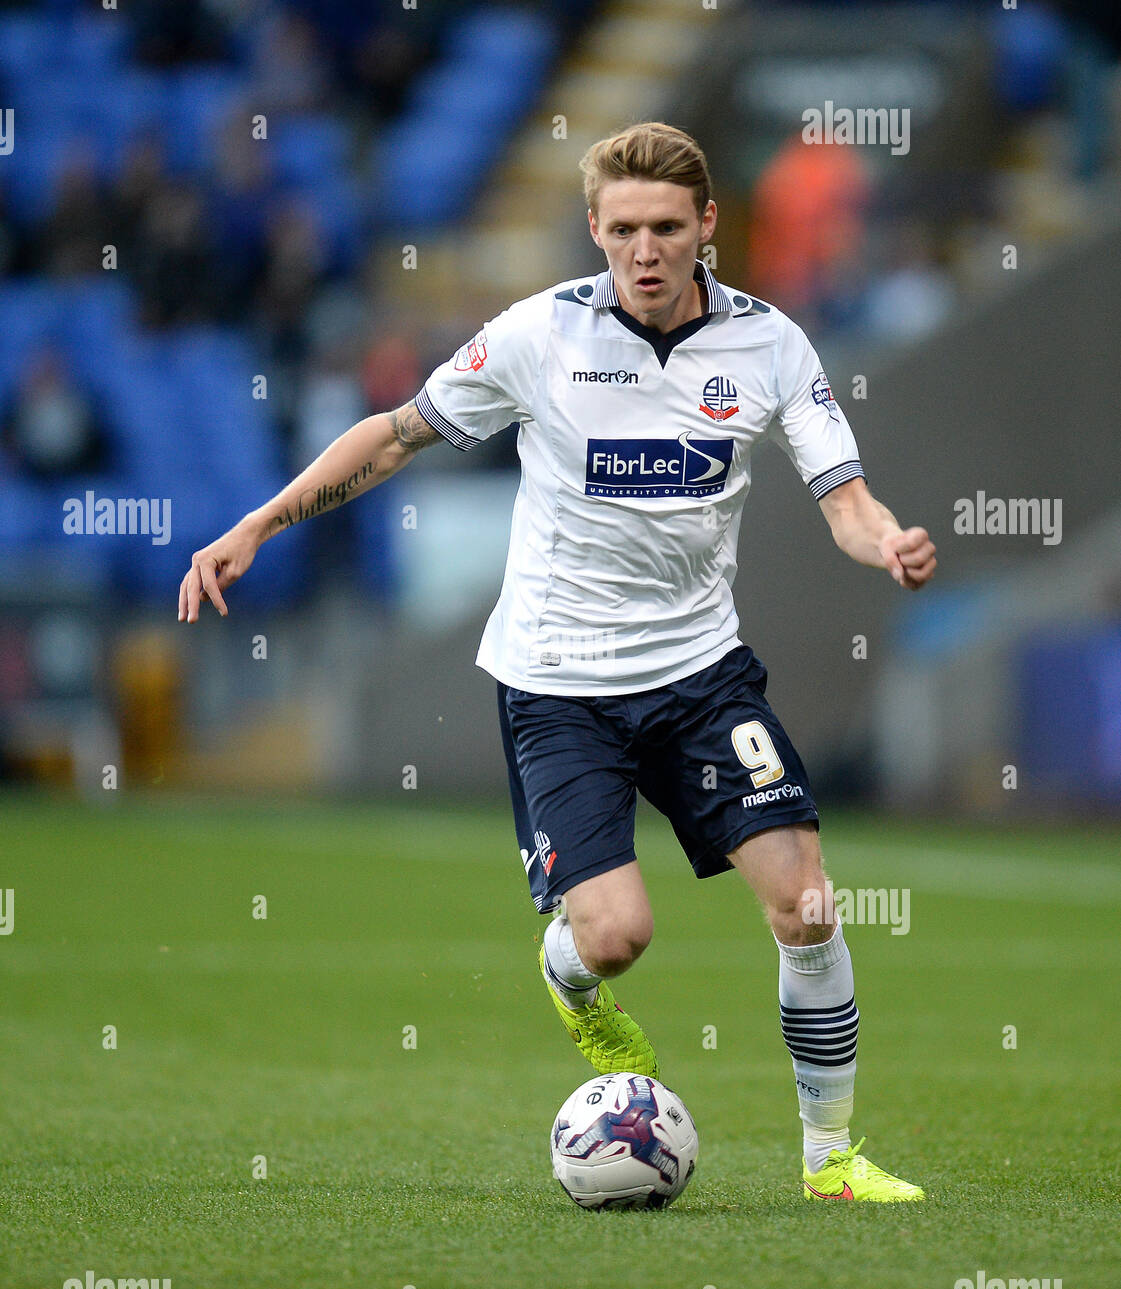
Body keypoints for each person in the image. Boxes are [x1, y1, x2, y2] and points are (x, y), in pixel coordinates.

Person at [179, 123, 937, 1202]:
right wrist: (258, 523)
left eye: (666, 228)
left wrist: (889, 542)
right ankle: (569, 972)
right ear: (594, 228)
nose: (643, 250)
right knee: (616, 936)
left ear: (707, 227)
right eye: (622, 228)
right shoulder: (537, 336)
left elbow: (845, 503)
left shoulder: (768, 345)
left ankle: (831, 1159)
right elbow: (396, 433)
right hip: (557, 683)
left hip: (699, 673)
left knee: (807, 904)